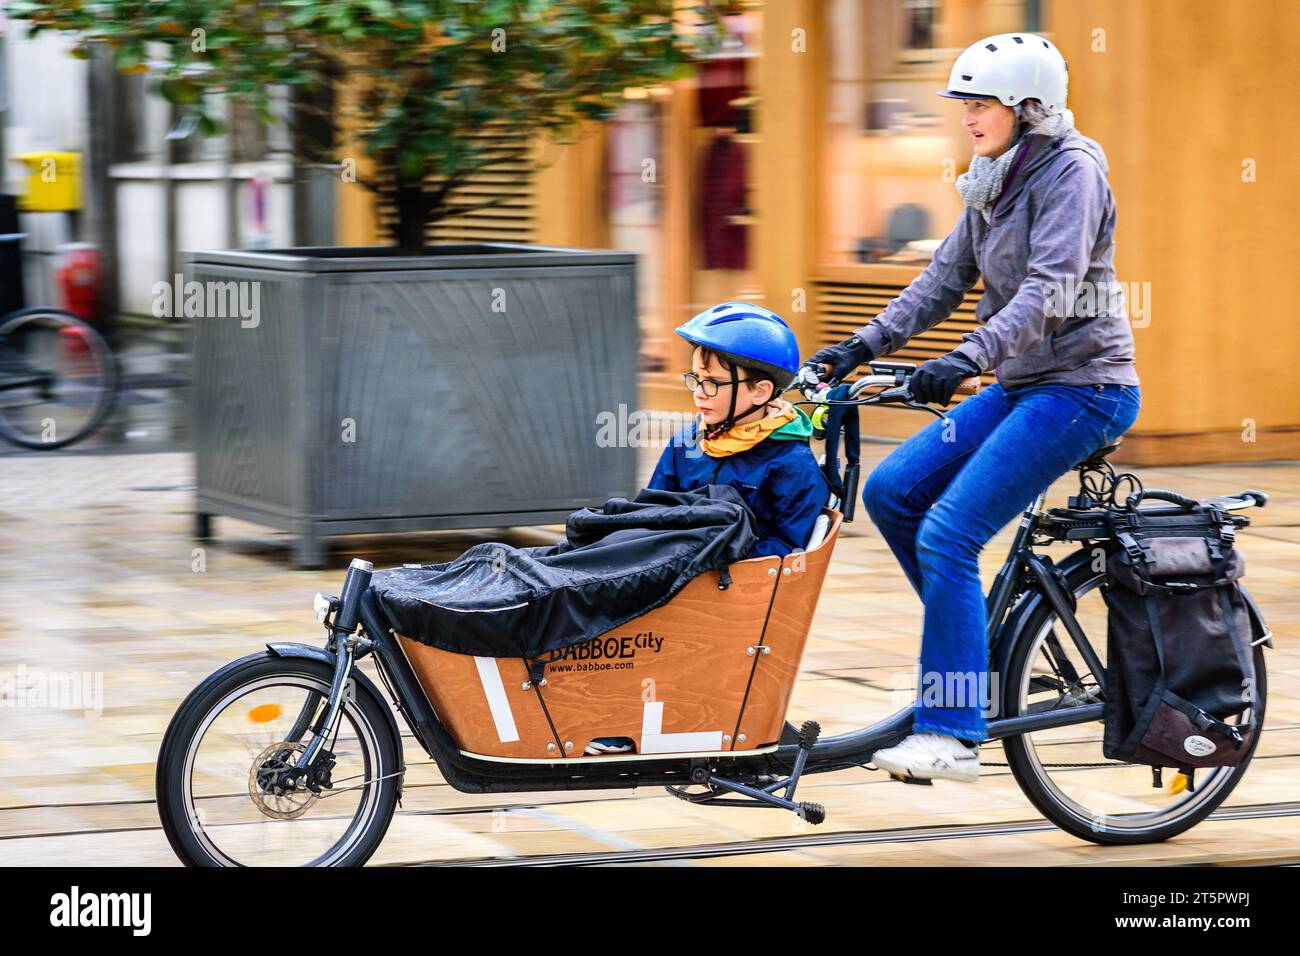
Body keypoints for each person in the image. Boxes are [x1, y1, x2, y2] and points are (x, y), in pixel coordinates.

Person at [806, 33, 1141, 782]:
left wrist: (965, 359)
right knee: (894, 493)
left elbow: (1050, 289)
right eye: (963, 103)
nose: (966, 117)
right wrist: (857, 347)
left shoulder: (1072, 172)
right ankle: (979, 651)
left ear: (1030, 108)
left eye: (980, 103)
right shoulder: (993, 176)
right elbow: (943, 278)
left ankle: (953, 731)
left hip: (1086, 388)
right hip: (1023, 385)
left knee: (950, 534)